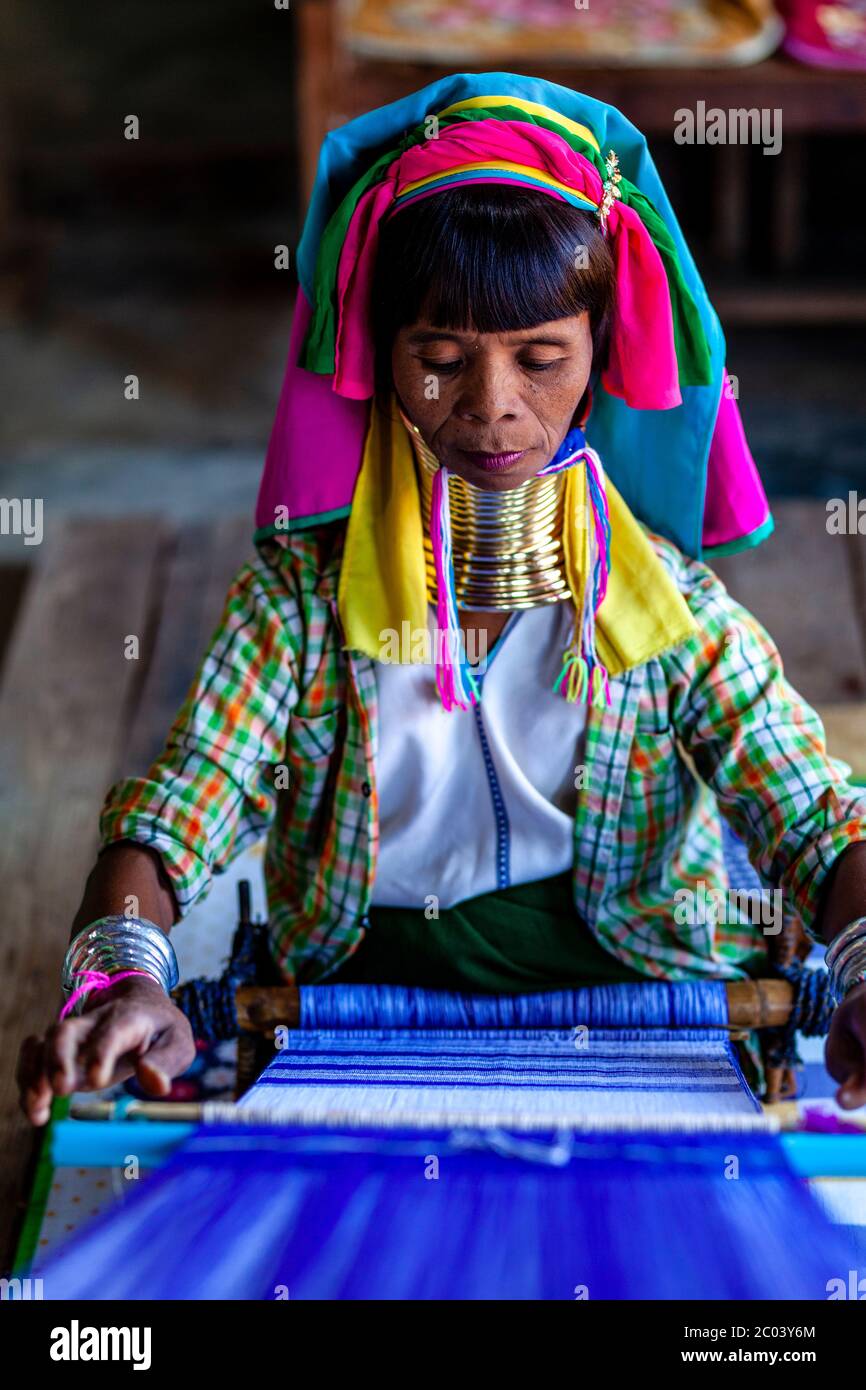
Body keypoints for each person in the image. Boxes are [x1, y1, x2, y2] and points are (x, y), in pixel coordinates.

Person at [17, 73, 866, 1126]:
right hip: (356, 997)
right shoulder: (298, 605)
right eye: (441, 358)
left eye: (541, 356)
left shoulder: (665, 612)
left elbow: (814, 821)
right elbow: (185, 804)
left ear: (599, 357)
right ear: (381, 357)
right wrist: (125, 977)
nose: (492, 405)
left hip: (639, 1004)